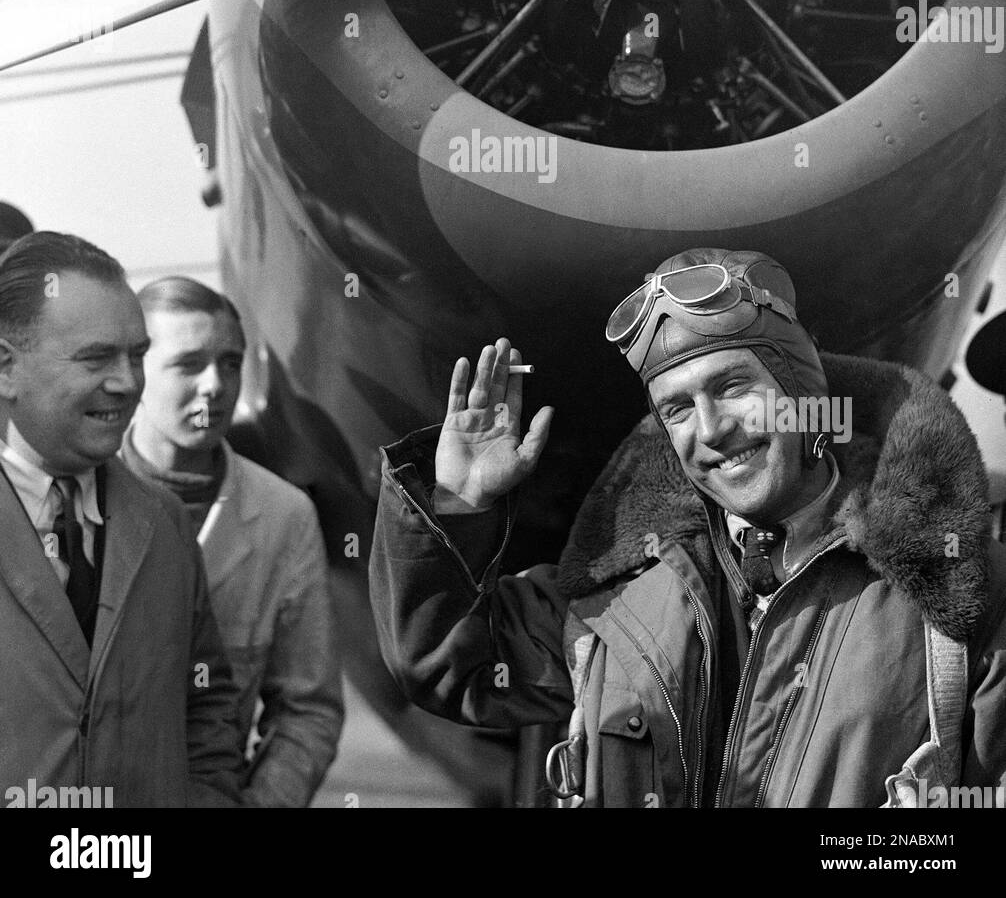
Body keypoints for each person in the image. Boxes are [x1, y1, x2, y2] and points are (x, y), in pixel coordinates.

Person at [369, 247, 1006, 808]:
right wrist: (459, 503)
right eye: (677, 409)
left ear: (804, 393)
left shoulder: (962, 597)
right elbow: (446, 662)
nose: (710, 429)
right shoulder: (613, 601)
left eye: (732, 387)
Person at [0, 232, 244, 807]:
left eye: (137, 355)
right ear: (5, 369)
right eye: (96, 357)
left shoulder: (162, 520)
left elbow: (206, 702)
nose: (129, 382)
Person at [121, 276, 344, 808]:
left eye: (230, 362)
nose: (215, 385)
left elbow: (308, 708)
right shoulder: (76, 497)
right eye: (188, 363)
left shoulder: (284, 517)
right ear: (133, 372)